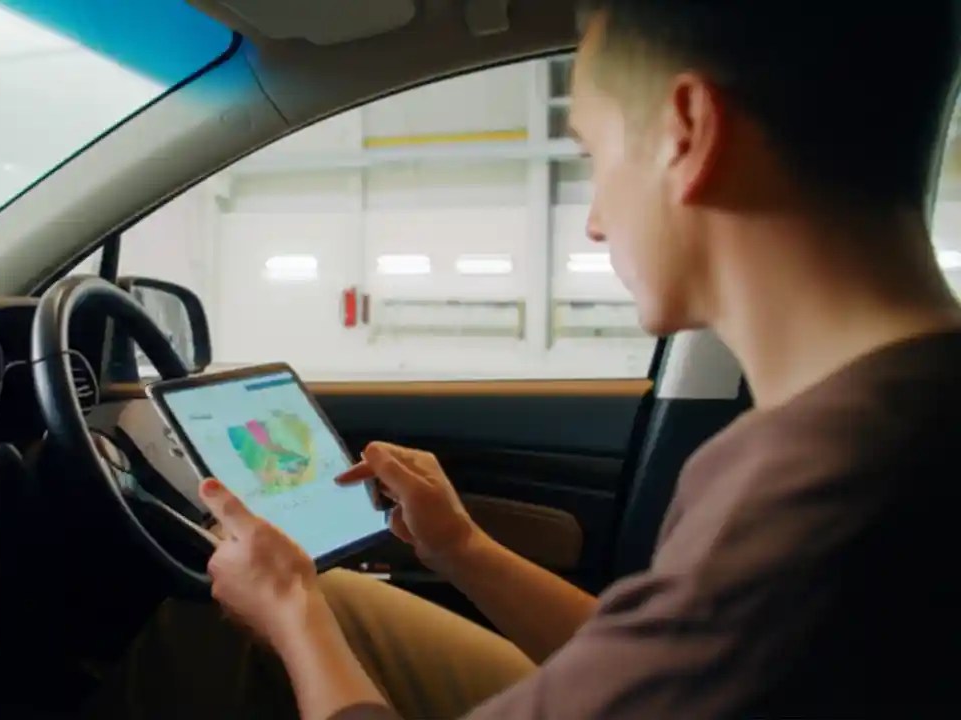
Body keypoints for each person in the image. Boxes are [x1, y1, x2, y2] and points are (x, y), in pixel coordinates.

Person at [97, 0, 961, 717]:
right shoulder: (896, 426)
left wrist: (288, 614)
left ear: (688, 133)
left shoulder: (816, 497)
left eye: (593, 154)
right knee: (348, 601)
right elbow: (667, 655)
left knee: (215, 627)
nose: (594, 219)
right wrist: (462, 546)